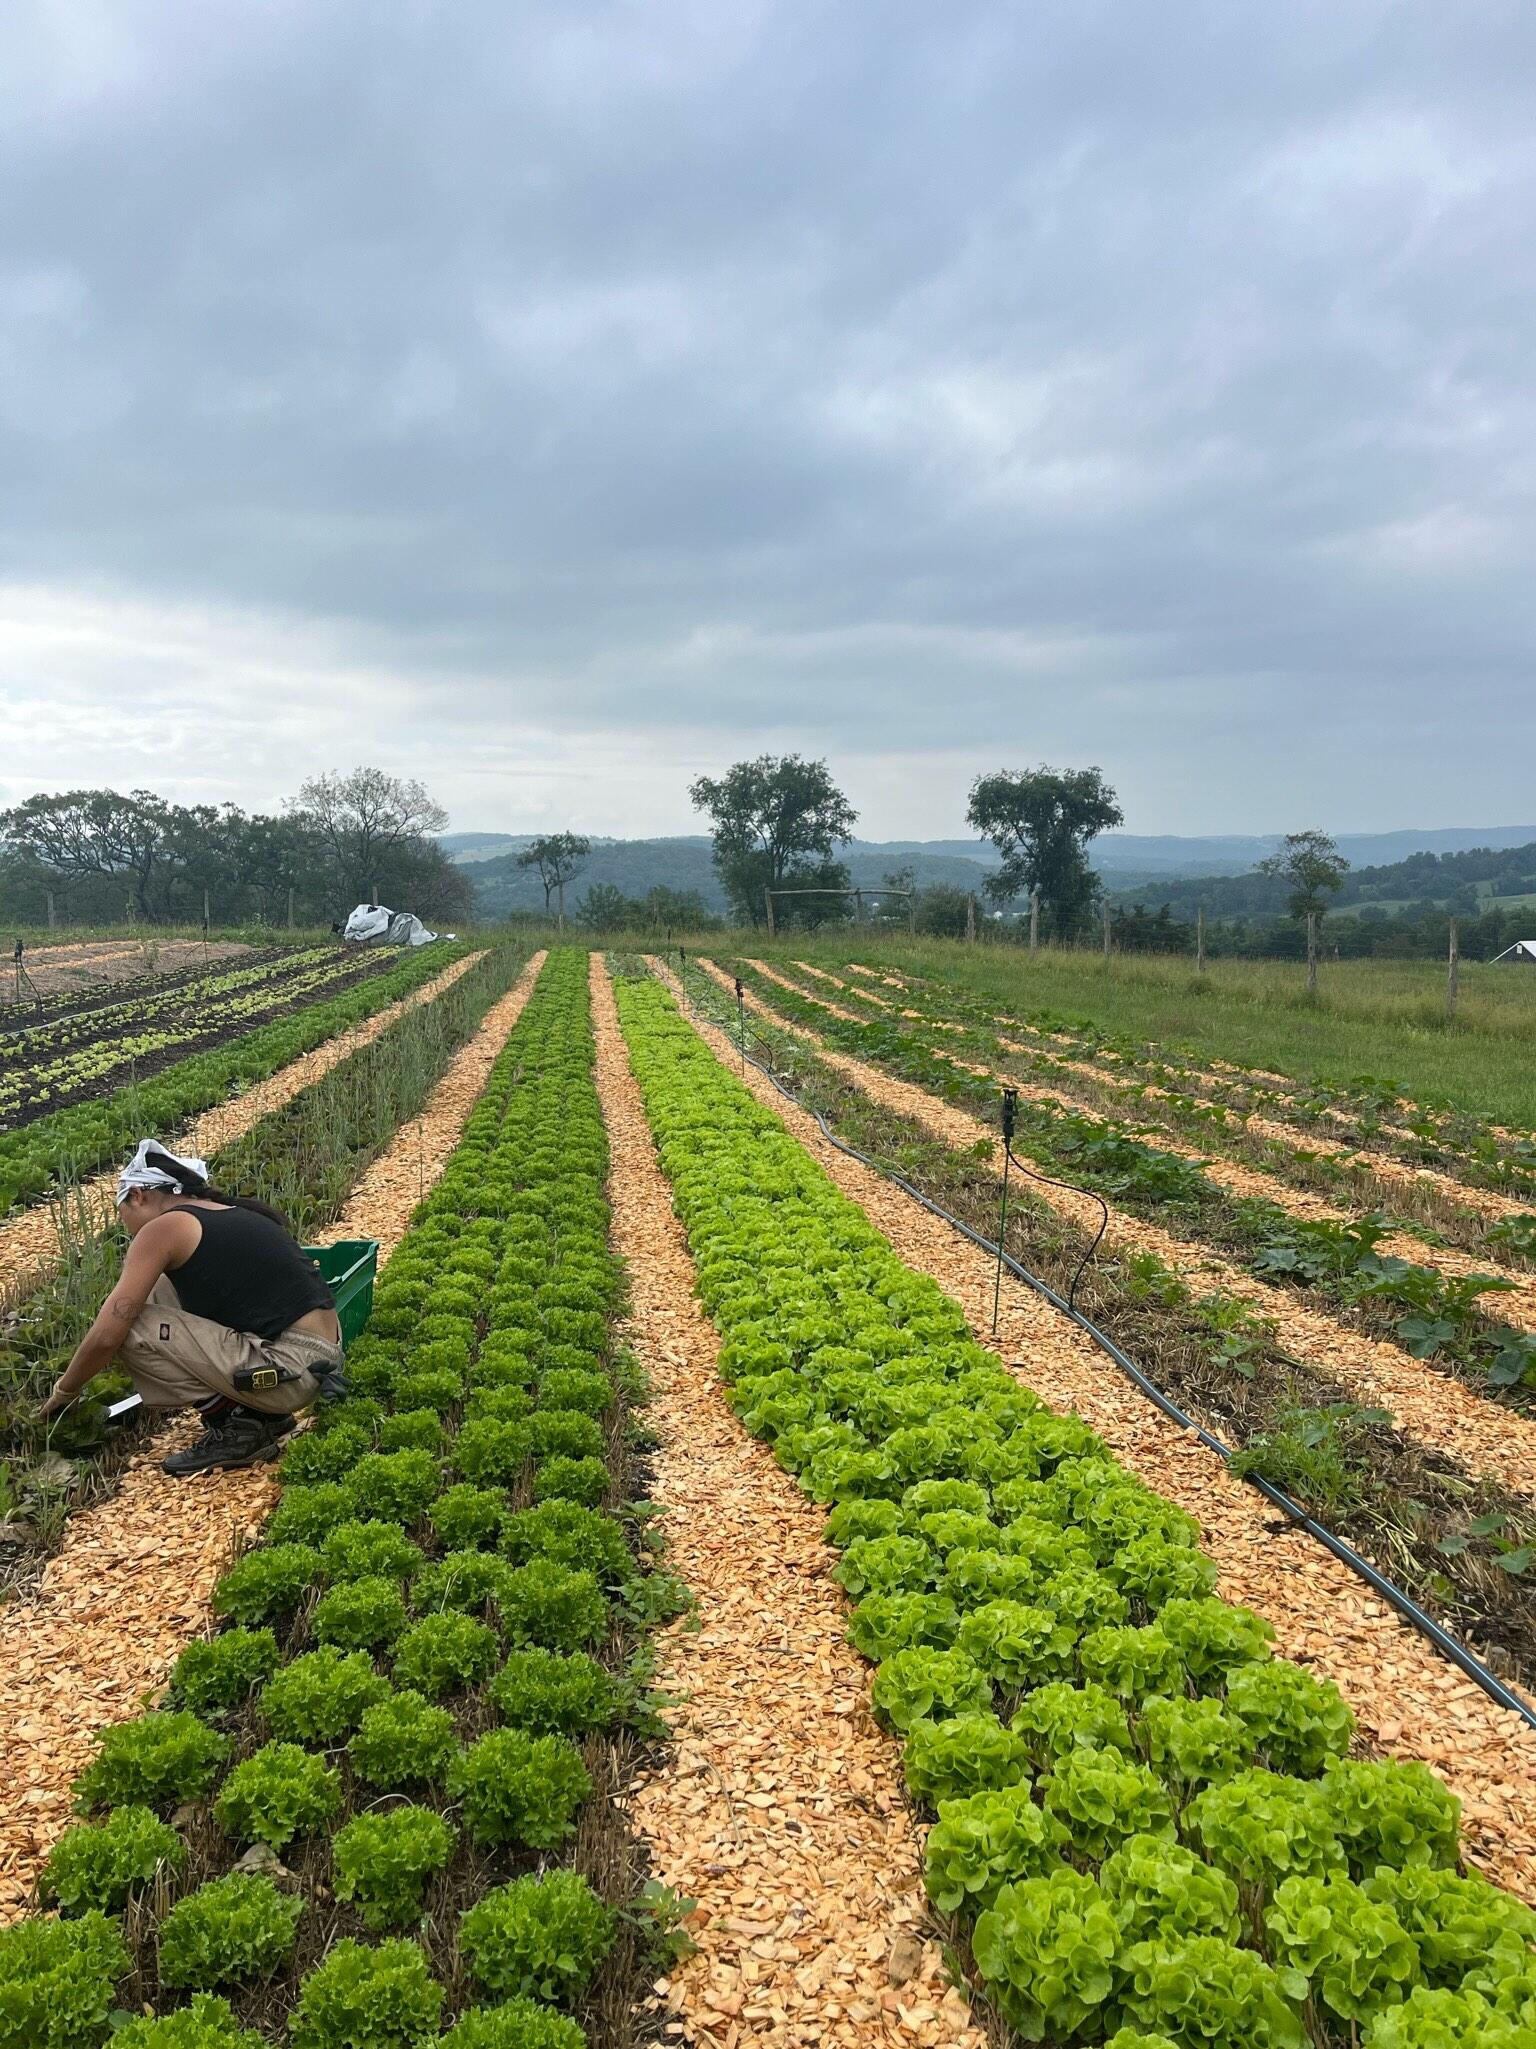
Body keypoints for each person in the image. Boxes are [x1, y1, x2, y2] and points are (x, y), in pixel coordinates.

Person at [39, 1140, 346, 1476]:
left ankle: (238, 1426)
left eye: (121, 1210)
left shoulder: (165, 1228)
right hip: (315, 1362)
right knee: (157, 1288)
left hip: (287, 1373)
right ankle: (263, 1415)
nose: (124, 1225)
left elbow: (106, 1337)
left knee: (131, 1326)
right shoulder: (220, 1212)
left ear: (137, 1195)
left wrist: (65, 1391)